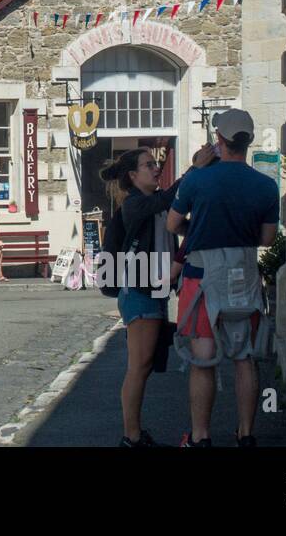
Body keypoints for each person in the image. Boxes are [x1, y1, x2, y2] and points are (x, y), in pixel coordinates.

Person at [166, 108, 279, 448]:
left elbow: (172, 224)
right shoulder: (265, 185)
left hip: (201, 276)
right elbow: (268, 238)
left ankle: (200, 436)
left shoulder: (197, 181)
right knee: (244, 356)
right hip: (243, 271)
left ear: (219, 140)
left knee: (203, 357)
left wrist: (196, 230)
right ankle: (245, 434)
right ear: (248, 141)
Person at [101, 143, 216, 447]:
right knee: (138, 366)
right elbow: (168, 197)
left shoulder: (159, 205)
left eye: (155, 163)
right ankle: (131, 436)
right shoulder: (134, 204)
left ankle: (134, 433)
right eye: (148, 165)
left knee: (145, 364)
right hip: (138, 293)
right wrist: (194, 170)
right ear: (133, 175)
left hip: (154, 293)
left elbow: (183, 225)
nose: (156, 169)